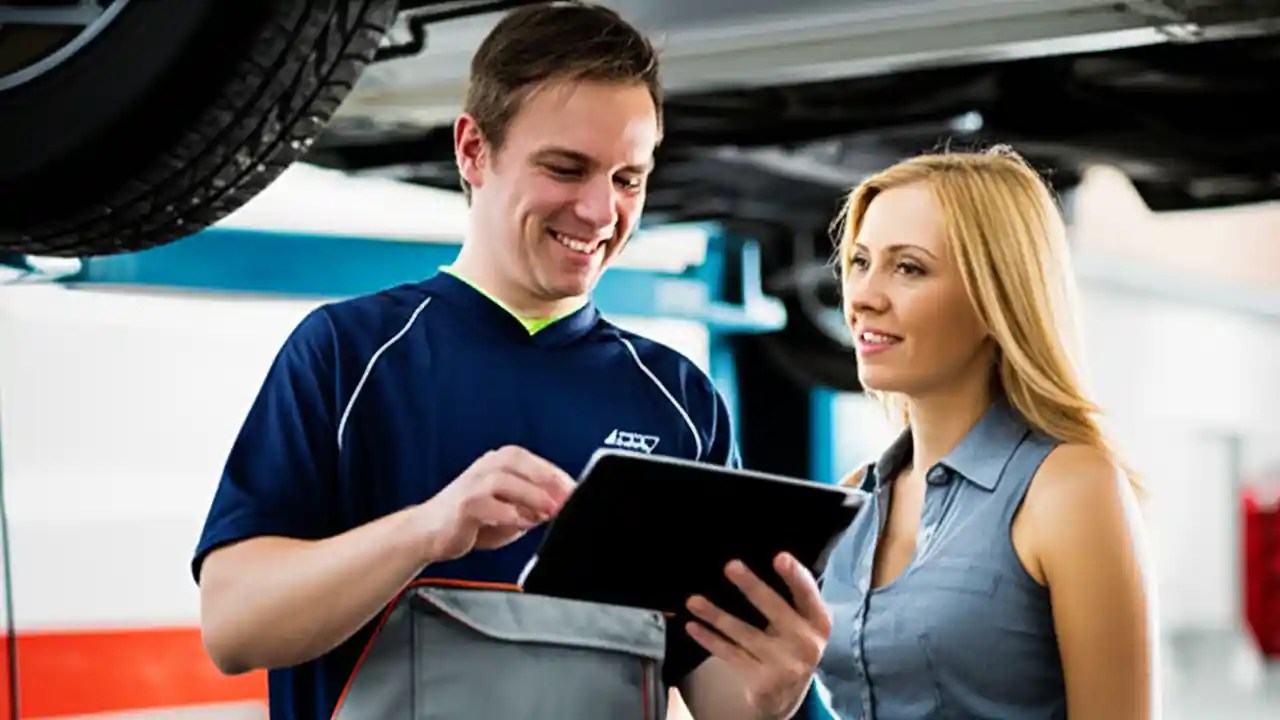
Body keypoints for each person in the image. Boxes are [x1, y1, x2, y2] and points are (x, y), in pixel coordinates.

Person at [191, 3, 827, 719]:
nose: (598, 210)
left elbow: (719, 696)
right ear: (473, 151)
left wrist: (776, 689)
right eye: (566, 168)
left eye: (628, 178)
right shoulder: (349, 354)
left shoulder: (680, 400)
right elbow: (234, 627)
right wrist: (427, 530)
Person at [811, 146, 1157, 718]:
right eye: (860, 261)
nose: (864, 298)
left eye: (909, 267)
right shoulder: (858, 496)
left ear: (995, 294)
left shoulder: (1069, 488)